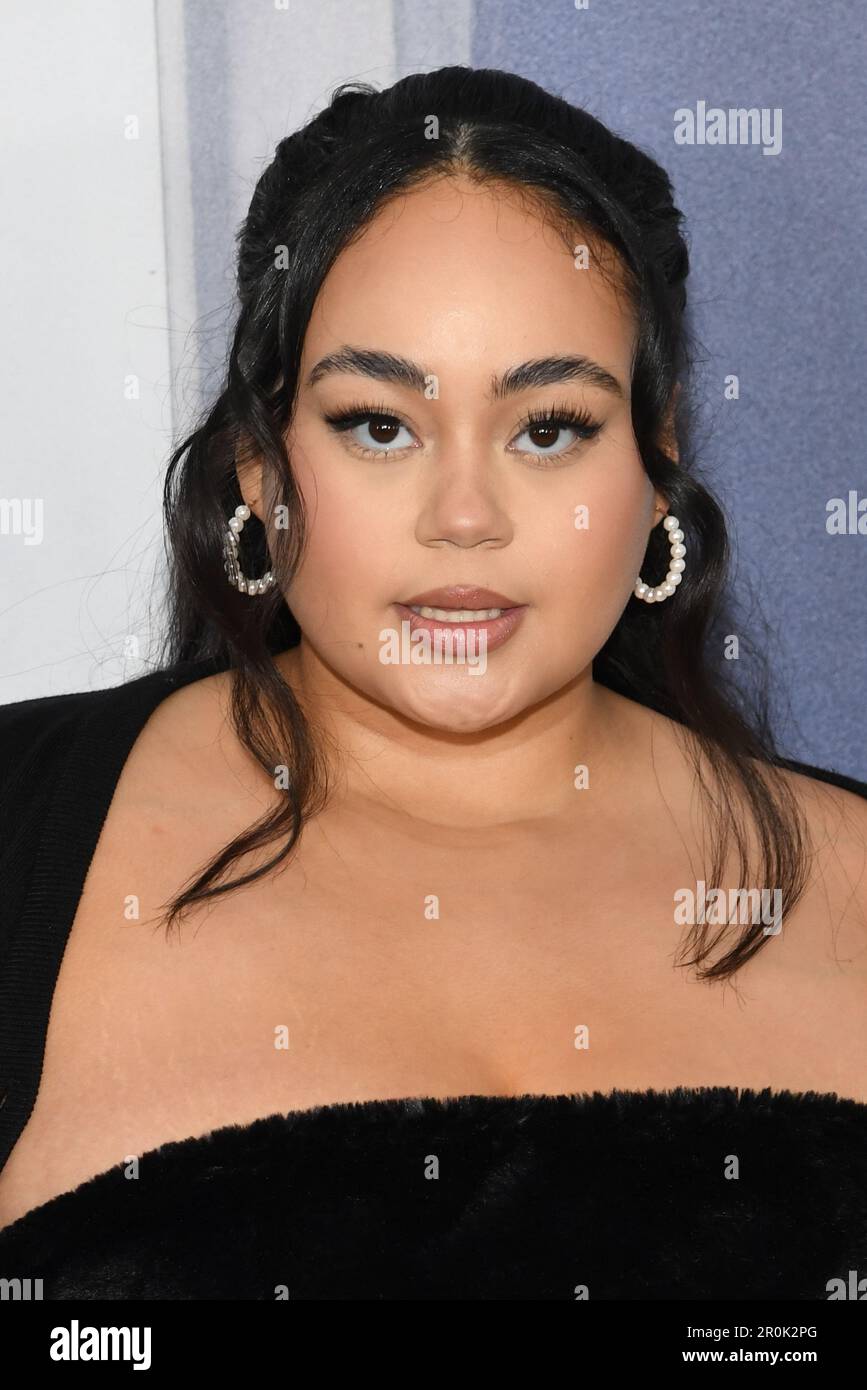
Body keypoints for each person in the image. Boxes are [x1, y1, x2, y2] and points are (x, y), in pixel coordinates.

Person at [0, 66, 865, 1300]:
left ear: (657, 457)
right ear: (259, 462)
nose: (465, 517)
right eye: (380, 424)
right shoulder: (21, 833)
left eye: (549, 425)